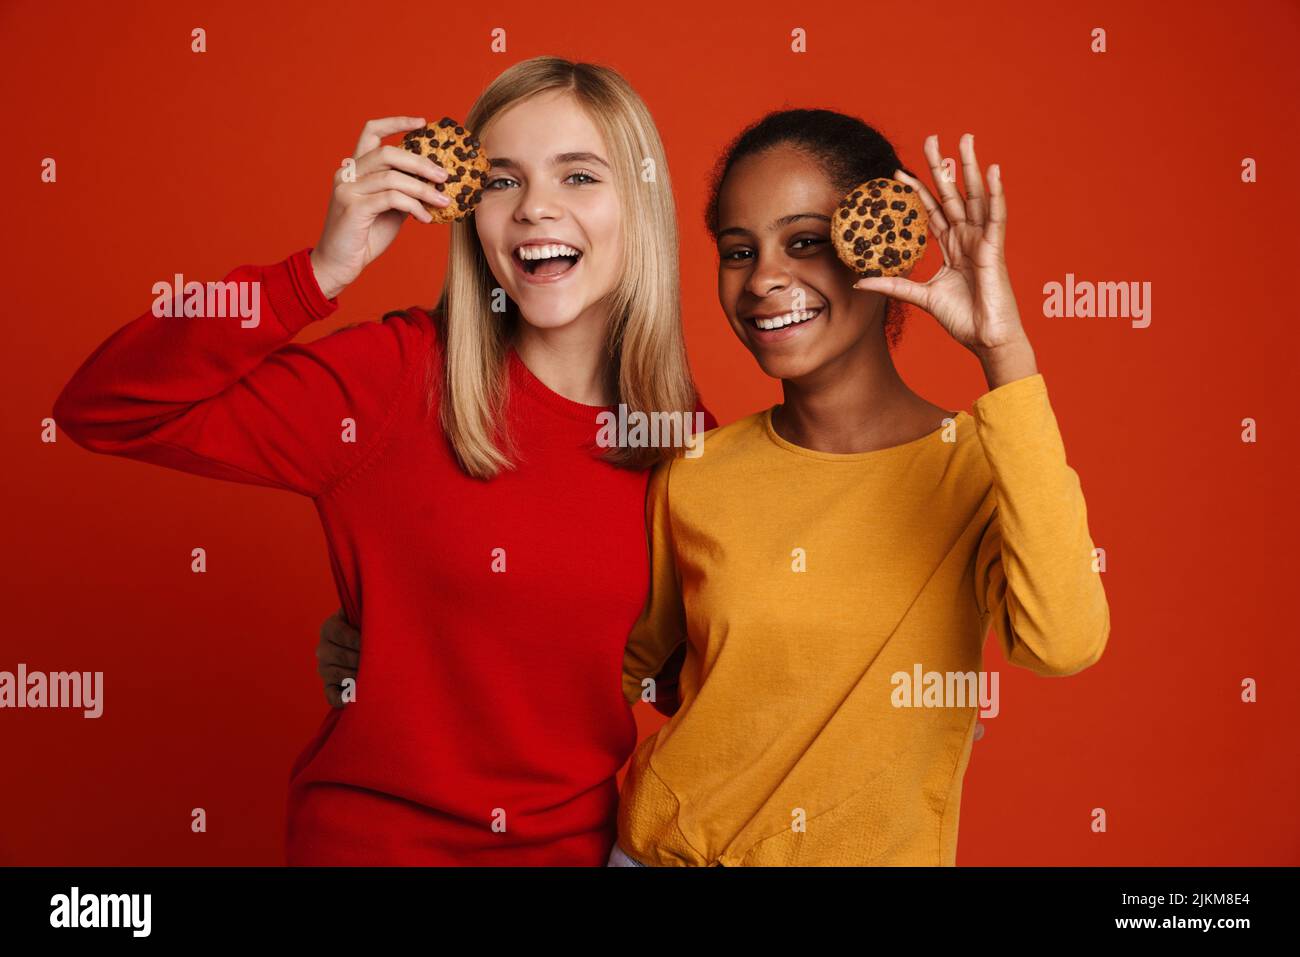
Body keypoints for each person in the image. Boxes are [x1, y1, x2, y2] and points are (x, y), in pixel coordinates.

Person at [52, 56, 712, 866]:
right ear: (465, 208)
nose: (537, 206)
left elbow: (715, 682)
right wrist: (317, 273)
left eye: (579, 176)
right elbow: (108, 405)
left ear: (640, 205)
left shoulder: (684, 442)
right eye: (501, 181)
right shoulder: (394, 380)